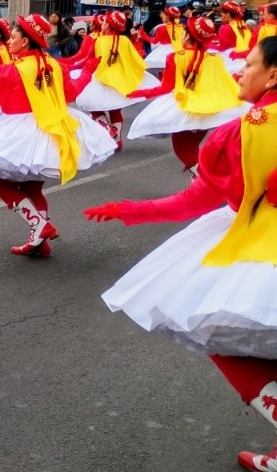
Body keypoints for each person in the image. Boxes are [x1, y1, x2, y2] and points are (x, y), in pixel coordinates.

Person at [86, 37, 277, 472]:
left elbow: (193, 202)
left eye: (248, 65)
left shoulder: (237, 134)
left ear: (272, 76)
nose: (239, 71)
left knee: (214, 329)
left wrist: (127, 209)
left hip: (254, 243)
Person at [0, 15, 116, 256]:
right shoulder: (53, 65)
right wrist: (87, 70)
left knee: (2, 184)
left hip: (20, 132)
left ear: (25, 42)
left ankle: (40, 226)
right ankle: (40, 243)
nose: (9, 42)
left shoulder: (11, 71)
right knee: (34, 189)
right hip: (49, 131)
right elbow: (71, 93)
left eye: (13, 38)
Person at [126, 17, 250, 175]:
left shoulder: (175, 57)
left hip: (184, 109)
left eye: (184, 33)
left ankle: (205, 181)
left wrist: (141, 93)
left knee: (183, 149)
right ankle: (201, 183)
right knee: (193, 148)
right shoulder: (214, 58)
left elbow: (166, 88)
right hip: (209, 109)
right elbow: (222, 84)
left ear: (186, 36)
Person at [71, 11, 159, 152]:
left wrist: (70, 66)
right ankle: (117, 140)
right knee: (115, 110)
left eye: (105, 22)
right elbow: (136, 61)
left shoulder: (99, 41)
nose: (103, 24)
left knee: (93, 107)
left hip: (101, 79)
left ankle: (107, 128)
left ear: (108, 25)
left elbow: (89, 60)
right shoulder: (125, 41)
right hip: (119, 81)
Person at [139, 6, 185, 73]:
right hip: (177, 52)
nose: (162, 17)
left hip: (162, 54)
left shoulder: (162, 28)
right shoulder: (181, 27)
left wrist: (144, 35)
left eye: (164, 15)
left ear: (168, 17)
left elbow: (154, 42)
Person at [215, 1, 253, 74]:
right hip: (246, 65)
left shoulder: (225, 28)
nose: (221, 16)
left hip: (232, 67)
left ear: (228, 14)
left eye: (222, 14)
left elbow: (224, 50)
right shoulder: (244, 26)